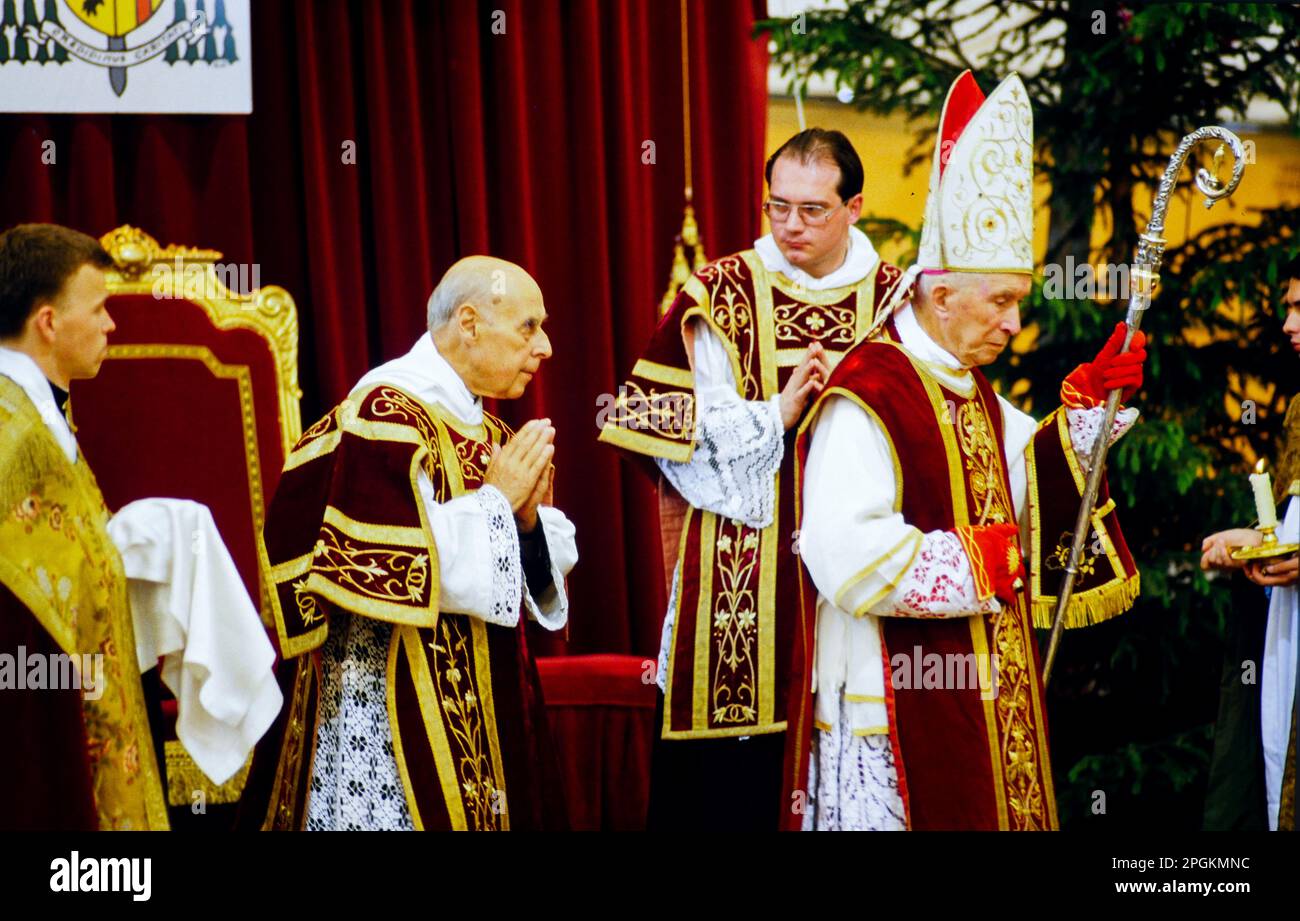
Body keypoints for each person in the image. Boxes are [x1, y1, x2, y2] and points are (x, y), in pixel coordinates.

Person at [789, 72, 1146, 830]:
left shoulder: (965, 383)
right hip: (885, 710)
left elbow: (1028, 483)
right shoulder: (870, 391)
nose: (1016, 322)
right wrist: (978, 565)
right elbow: (839, 550)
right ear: (941, 294)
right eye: (1001, 301)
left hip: (983, 689)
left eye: (1019, 300)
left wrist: (1083, 413)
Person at [599, 128, 906, 829]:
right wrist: (777, 413)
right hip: (737, 573)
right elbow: (659, 426)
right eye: (777, 207)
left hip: (855, 573)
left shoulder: (895, 300)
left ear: (854, 207)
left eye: (813, 210)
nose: (791, 225)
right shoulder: (720, 290)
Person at [256, 255, 578, 830]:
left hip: (485, 697)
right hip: (390, 695)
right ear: (470, 323)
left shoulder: (491, 430)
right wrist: (499, 504)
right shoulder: (385, 412)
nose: (545, 346)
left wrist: (527, 523)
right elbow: (395, 566)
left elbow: (535, 560)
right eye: (530, 326)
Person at [1201, 254, 1300, 831]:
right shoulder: (1297, 414)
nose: (1288, 325)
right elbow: (1289, 528)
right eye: (1288, 307)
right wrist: (1256, 540)